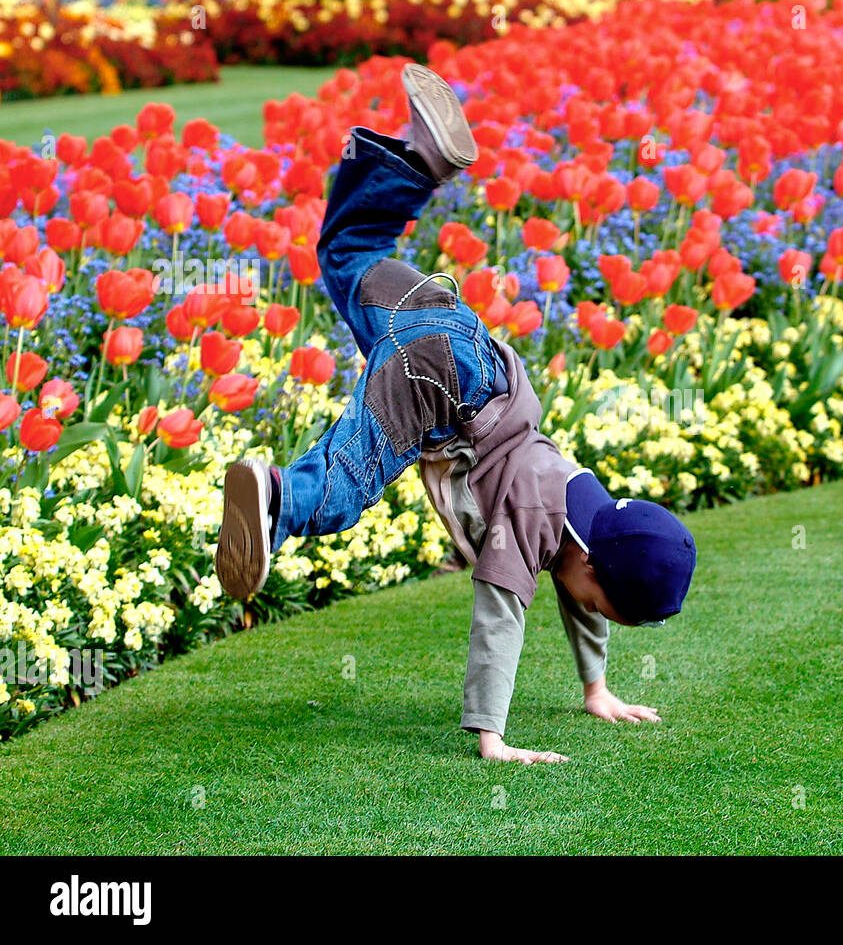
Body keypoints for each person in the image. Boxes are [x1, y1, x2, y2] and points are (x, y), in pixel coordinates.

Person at [214, 64, 698, 765]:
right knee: (351, 481)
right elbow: (501, 615)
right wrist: (492, 736)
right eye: (600, 604)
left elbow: (585, 596)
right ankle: (277, 498)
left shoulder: (589, 513)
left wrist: (598, 689)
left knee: (350, 252)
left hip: (455, 328)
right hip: (437, 380)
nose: (590, 612)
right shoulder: (538, 522)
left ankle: (420, 158)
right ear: (592, 563)